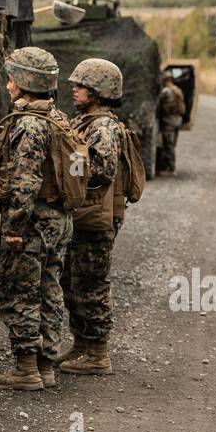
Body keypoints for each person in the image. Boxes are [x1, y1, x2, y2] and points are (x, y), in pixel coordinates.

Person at [0, 47, 73, 392]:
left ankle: (25, 369)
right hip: (58, 221)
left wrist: (14, 229)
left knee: (20, 291)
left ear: (25, 82)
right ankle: (45, 365)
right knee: (50, 289)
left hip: (33, 223)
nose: (7, 85)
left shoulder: (29, 125)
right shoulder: (57, 118)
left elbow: (25, 183)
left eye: (12, 78)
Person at [59, 58, 129, 376]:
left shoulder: (102, 127)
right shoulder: (86, 122)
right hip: (86, 213)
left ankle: (97, 352)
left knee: (90, 283)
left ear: (98, 92)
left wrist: (67, 166)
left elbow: (101, 171)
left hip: (96, 215)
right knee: (73, 280)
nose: (74, 90)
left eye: (82, 86)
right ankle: (82, 345)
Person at [158, 72, 186, 175]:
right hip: (177, 120)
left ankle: (170, 168)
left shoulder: (166, 91)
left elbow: (158, 101)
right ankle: (170, 166)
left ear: (164, 80)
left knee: (168, 145)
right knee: (172, 144)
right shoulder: (177, 90)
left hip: (169, 121)